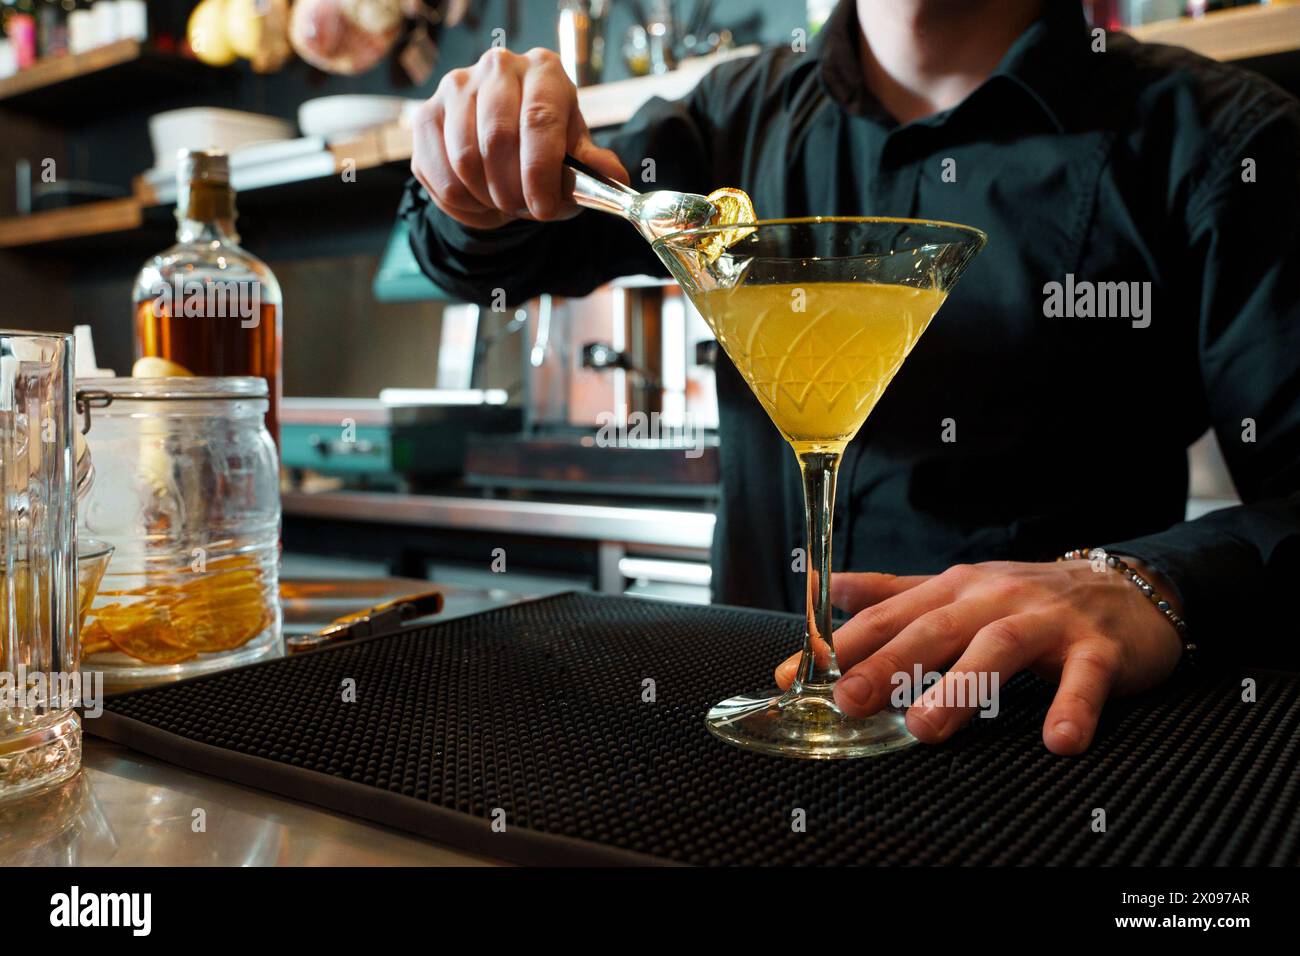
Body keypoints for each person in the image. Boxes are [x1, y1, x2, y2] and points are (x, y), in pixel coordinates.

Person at [399, 0, 1300, 755]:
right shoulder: (727, 117)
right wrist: (472, 173)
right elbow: (494, 255)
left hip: (1047, 755)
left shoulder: (1223, 142)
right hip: (737, 749)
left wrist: (1148, 581)